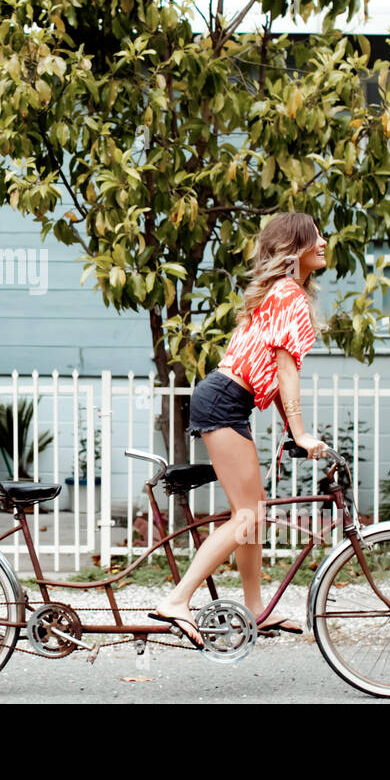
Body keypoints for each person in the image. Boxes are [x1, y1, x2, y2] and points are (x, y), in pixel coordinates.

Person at [149, 212, 329, 647]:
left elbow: (273, 365)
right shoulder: (289, 294)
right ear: (295, 247)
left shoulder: (282, 292)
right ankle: (177, 600)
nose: (324, 241)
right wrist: (301, 433)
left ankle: (253, 609)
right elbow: (286, 369)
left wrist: (292, 428)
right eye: (315, 236)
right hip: (225, 400)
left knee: (252, 513)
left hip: (229, 400)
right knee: (248, 515)